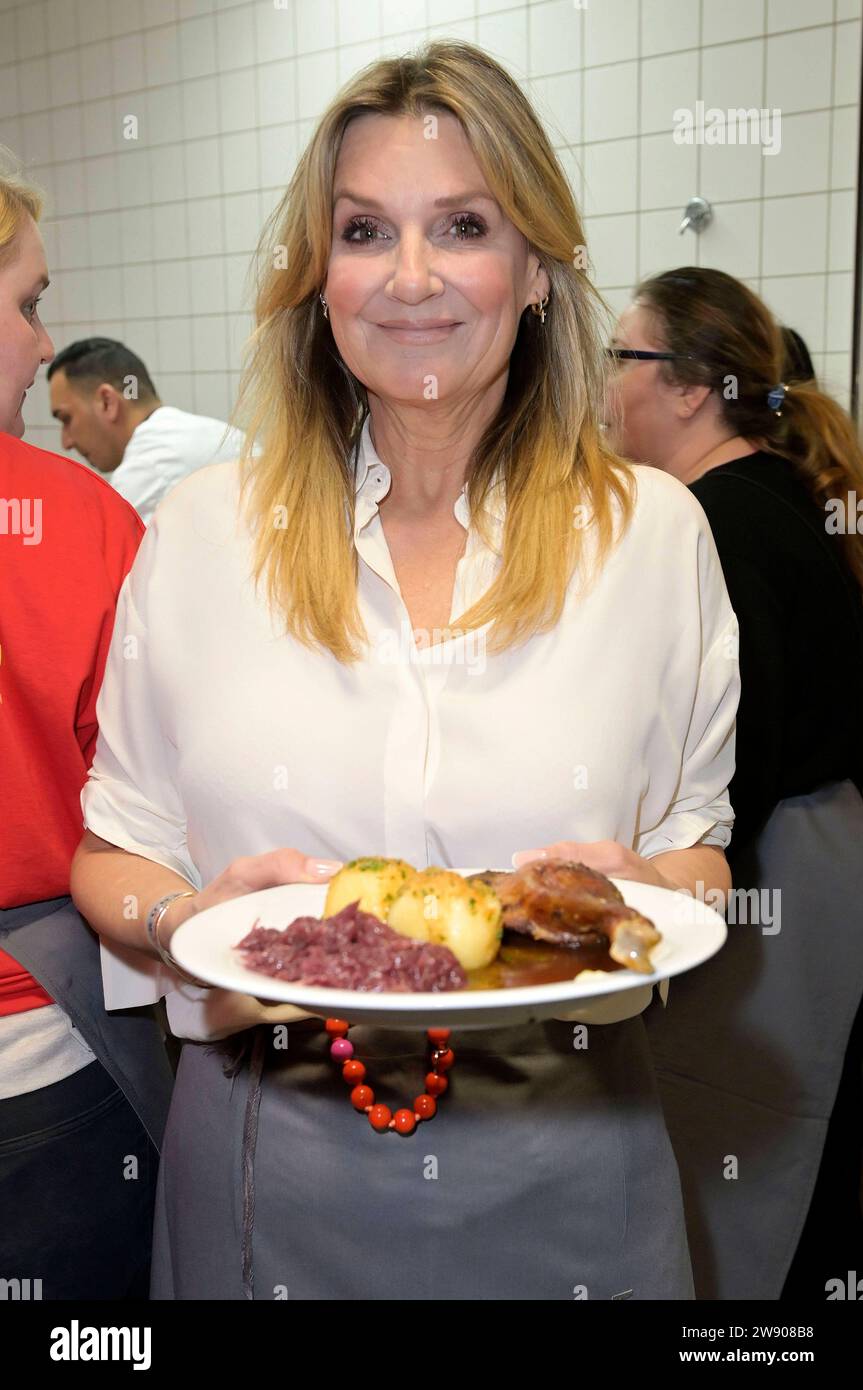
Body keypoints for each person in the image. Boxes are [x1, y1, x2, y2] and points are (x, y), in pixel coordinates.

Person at [70, 42, 739, 1301]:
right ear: (320, 276)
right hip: (268, 1164)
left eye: (465, 225)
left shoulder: (654, 537)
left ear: (536, 268)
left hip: (572, 1164)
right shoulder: (204, 536)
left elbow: (702, 850)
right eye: (367, 229)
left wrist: (645, 885)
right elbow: (112, 854)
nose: (413, 276)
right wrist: (191, 927)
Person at [607, 265, 863, 1299]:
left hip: (778, 868)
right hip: (821, 850)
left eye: (622, 357)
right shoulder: (770, 491)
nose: (603, 383)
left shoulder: (717, 519)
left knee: (745, 1146)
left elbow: (735, 757)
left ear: (687, 387)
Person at [0, 150, 173, 1297]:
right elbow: (169, 783)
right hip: (37, 1055)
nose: (39, 342)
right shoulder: (73, 517)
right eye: (27, 302)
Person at [47, 337, 247, 523]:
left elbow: (110, 556)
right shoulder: (216, 433)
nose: (66, 442)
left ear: (107, 402)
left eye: (66, 419)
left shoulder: (148, 467)